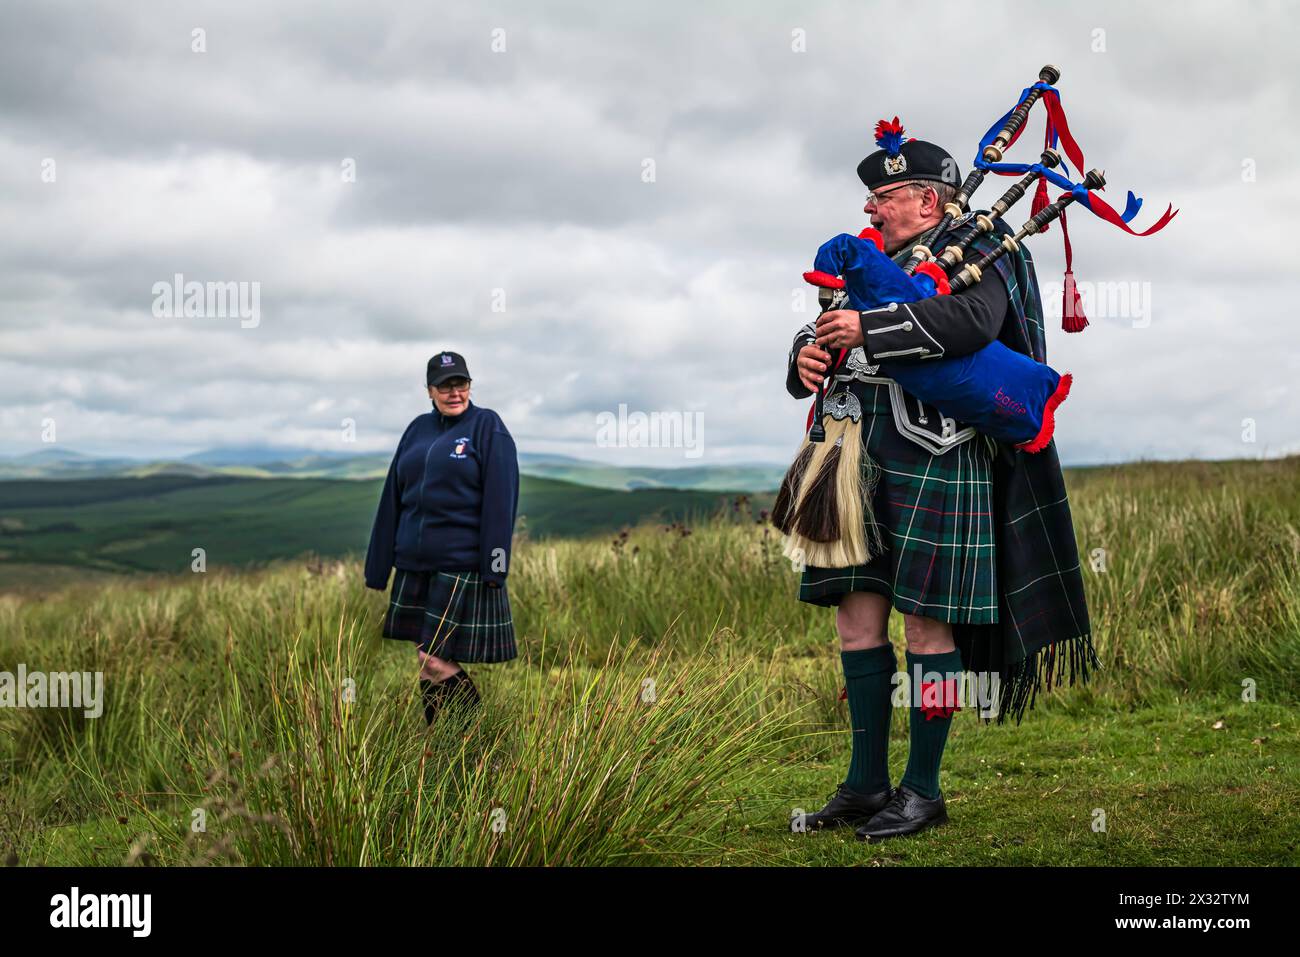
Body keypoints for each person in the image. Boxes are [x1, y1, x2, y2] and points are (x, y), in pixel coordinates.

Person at [784, 121, 1097, 842]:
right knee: (855, 615)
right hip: (850, 457)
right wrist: (803, 354)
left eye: (885, 197)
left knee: (928, 621)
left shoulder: (980, 252)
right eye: (869, 197)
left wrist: (873, 332)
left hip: (936, 455)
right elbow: (825, 325)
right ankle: (865, 785)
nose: (870, 210)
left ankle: (922, 790)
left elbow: (969, 326)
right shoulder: (865, 259)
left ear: (929, 201)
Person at [364, 350, 520, 725]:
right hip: (414, 565)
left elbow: (502, 502)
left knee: (432, 659)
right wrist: (378, 566)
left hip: (459, 565)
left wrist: (494, 567)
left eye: (461, 384)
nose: (454, 393)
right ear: (429, 390)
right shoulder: (417, 429)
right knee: (427, 660)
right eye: (445, 386)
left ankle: (479, 736)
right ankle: (445, 742)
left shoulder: (487, 427)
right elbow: (392, 498)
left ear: (469, 385)